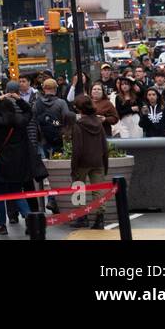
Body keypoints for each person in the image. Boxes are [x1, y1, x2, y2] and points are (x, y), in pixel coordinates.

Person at [0, 85, 34, 235]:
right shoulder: (20, 121)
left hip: (0, 163)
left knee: (0, 196)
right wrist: (18, 98)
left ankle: (2, 225)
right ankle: (29, 218)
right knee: (17, 192)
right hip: (17, 163)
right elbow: (29, 111)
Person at [65, 94, 109, 229]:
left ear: (79, 109)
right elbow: (104, 144)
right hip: (98, 161)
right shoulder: (99, 123)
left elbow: (77, 148)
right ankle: (100, 219)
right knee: (98, 190)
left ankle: (81, 217)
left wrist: (74, 167)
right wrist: (105, 162)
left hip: (82, 162)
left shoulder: (78, 125)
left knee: (79, 187)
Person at [32, 79, 70, 161]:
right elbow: (67, 119)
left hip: (43, 138)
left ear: (44, 89)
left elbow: (33, 121)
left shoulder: (36, 103)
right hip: (59, 138)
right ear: (56, 89)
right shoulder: (61, 103)